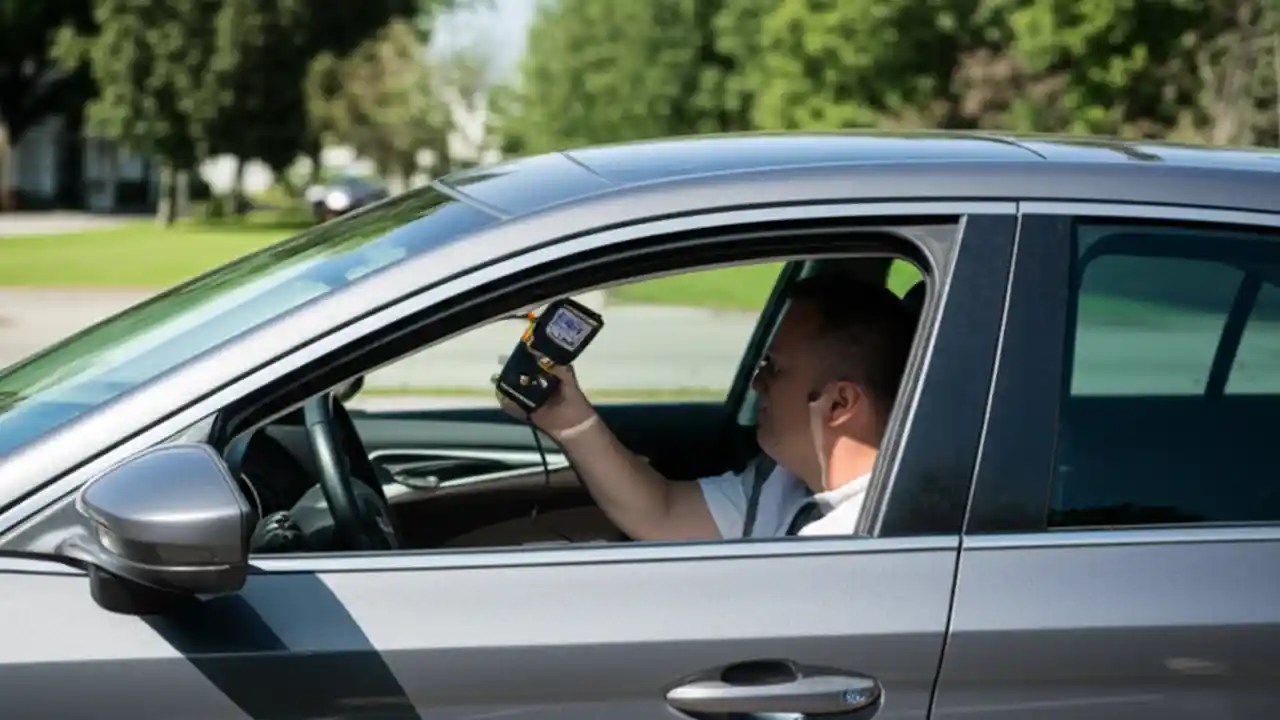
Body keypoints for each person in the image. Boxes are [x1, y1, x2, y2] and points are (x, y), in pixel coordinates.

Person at [496, 273, 915, 541]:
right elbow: (664, 513)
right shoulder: (785, 482)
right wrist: (570, 421)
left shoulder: (870, 537)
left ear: (839, 403)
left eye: (775, 369)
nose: (758, 383)